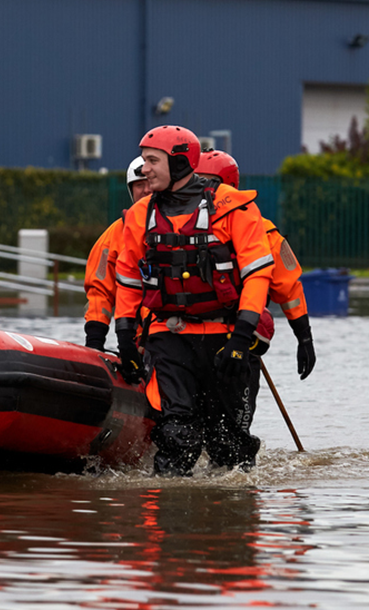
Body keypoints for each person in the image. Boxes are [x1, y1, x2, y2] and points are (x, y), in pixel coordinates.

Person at [113, 125, 275, 476]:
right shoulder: (140, 215)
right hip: (169, 338)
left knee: (227, 441)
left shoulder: (234, 208)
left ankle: (231, 512)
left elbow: (257, 276)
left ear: (181, 162)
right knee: (176, 430)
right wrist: (124, 336)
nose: (144, 170)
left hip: (226, 338)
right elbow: (127, 279)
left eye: (152, 161)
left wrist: (241, 340)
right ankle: (169, 509)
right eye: (143, 161)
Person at [197, 149, 316, 381]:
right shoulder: (263, 230)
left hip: (178, 338)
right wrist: (304, 338)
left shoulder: (166, 225)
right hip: (238, 337)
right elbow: (288, 288)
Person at [84, 156, 153, 351]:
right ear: (131, 190)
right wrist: (95, 343)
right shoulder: (114, 235)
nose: (146, 190)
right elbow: (99, 291)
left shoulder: (182, 228)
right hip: (132, 337)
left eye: (150, 183)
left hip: (171, 334)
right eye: (139, 185)